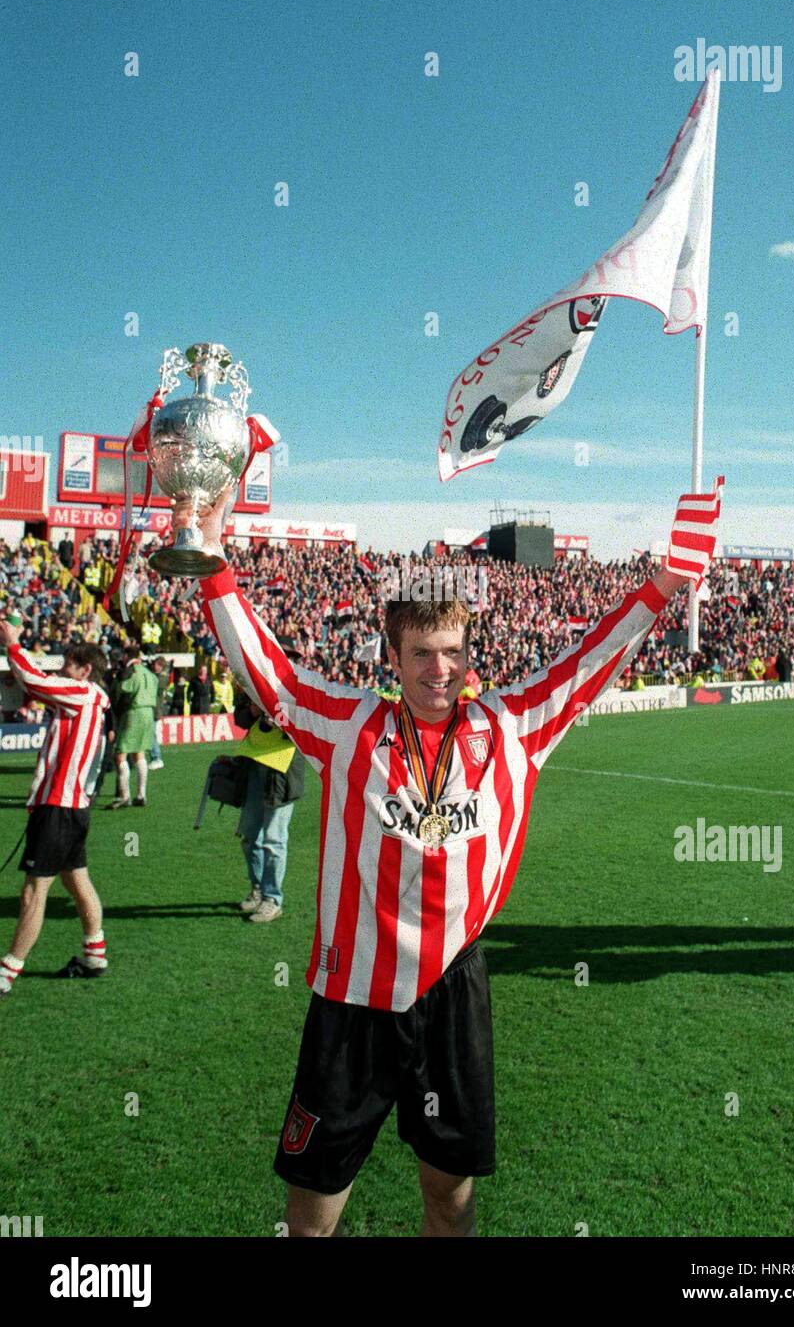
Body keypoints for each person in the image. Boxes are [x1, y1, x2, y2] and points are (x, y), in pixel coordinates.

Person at [170, 478, 722, 1237]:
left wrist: (664, 583)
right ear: (392, 656)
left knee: (450, 1201)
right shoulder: (350, 726)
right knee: (310, 1216)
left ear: (471, 655)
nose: (440, 670)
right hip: (352, 998)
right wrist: (212, 567)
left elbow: (592, 656)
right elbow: (271, 673)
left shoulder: (510, 727)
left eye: (454, 653)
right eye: (422, 653)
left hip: (453, 995)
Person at [0, 620, 111, 995]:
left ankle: (7, 970)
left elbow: (35, 681)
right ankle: (94, 954)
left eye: (67, 665)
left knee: (34, 890)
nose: (62, 670)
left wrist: (13, 644)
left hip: (58, 806)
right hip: (73, 808)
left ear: (85, 670)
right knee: (76, 879)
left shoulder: (82, 692)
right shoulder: (91, 699)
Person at [234, 691, 306, 922]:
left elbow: (304, 728)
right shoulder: (253, 684)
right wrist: (255, 710)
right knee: (248, 836)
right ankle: (257, 890)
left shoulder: (298, 690)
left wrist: (278, 716)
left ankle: (272, 899)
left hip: (282, 772)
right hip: (254, 767)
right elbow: (240, 720)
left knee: (274, 840)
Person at [109, 643, 158, 809]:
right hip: (148, 713)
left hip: (133, 712)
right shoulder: (149, 673)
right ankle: (142, 794)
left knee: (120, 755)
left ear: (126, 656)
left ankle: (124, 796)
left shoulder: (129, 672)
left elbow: (121, 692)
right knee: (140, 753)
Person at [148, 654, 171, 770]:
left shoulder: (162, 677)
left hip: (155, 709)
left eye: (155, 664)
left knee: (151, 734)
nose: (153, 666)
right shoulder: (159, 675)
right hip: (153, 708)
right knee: (150, 733)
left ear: (160, 666)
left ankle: (156, 758)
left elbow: (156, 686)